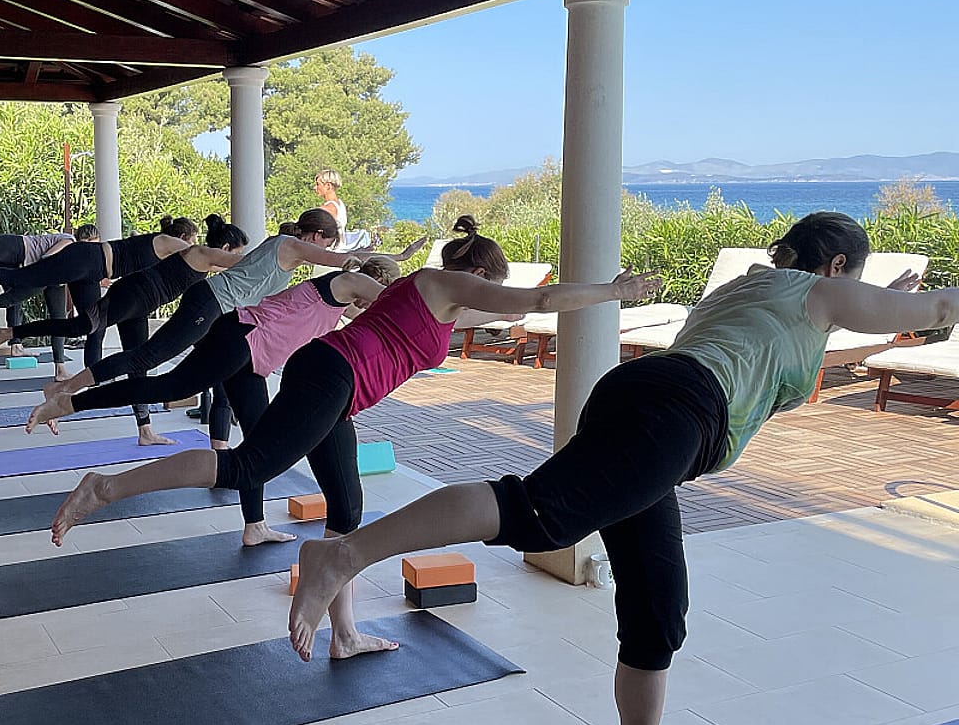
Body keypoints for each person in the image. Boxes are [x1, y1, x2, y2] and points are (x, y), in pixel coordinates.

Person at [282, 212, 946, 725]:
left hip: (645, 401)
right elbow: (941, 309)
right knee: (539, 513)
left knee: (656, 612)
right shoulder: (823, 293)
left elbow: (815, 337)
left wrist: (880, 305)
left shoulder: (749, 287)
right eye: (852, 280)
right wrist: (900, 305)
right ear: (837, 267)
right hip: (677, 414)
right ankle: (343, 553)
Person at [48, 216, 658, 660]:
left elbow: (520, 311)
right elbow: (542, 296)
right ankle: (105, 488)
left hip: (337, 388)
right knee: (244, 468)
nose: (493, 304)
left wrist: (514, 311)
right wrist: (615, 292)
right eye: (488, 289)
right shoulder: (438, 284)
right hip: (331, 375)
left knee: (347, 508)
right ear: (475, 273)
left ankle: (345, 634)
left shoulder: (441, 304)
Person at [27, 256, 400, 546]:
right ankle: (68, 403)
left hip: (250, 362)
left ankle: (254, 526)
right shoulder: (342, 283)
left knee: (256, 449)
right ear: (376, 282)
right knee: (170, 387)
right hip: (238, 337)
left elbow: (356, 310)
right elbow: (384, 298)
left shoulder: (339, 307)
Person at [41, 209, 426, 403]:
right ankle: (67, 390)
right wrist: (394, 257)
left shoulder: (286, 255)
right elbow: (346, 260)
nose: (324, 249)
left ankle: (222, 439)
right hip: (211, 303)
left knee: (206, 373)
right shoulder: (288, 245)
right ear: (315, 234)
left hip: (221, 313)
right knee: (149, 357)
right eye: (326, 241)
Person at [0, 215, 248, 446]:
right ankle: (6, 333)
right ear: (225, 248)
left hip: (142, 305)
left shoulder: (206, 265)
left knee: (138, 364)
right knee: (79, 327)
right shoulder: (200, 252)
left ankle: (145, 431)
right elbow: (249, 264)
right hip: (131, 295)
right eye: (235, 251)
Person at [0, 223, 198, 369]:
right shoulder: (168, 243)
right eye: (191, 240)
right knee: (16, 283)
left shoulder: (164, 261)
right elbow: (196, 254)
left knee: (90, 326)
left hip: (89, 271)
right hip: (82, 261)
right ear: (182, 237)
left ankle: (87, 380)